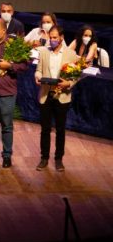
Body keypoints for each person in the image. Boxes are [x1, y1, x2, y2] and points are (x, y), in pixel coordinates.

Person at [0, 18, 29, 168]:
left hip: (6, 92)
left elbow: (23, 66)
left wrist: (9, 65)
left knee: (7, 126)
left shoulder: (13, 44)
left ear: (3, 31)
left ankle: (7, 156)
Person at [35, 25, 80, 172]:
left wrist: (69, 83)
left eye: (55, 37)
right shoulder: (43, 52)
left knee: (60, 129)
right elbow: (39, 70)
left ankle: (59, 159)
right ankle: (44, 158)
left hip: (62, 96)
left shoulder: (70, 54)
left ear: (61, 37)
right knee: (45, 129)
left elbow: (76, 74)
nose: (52, 40)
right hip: (46, 94)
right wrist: (38, 76)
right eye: (51, 37)